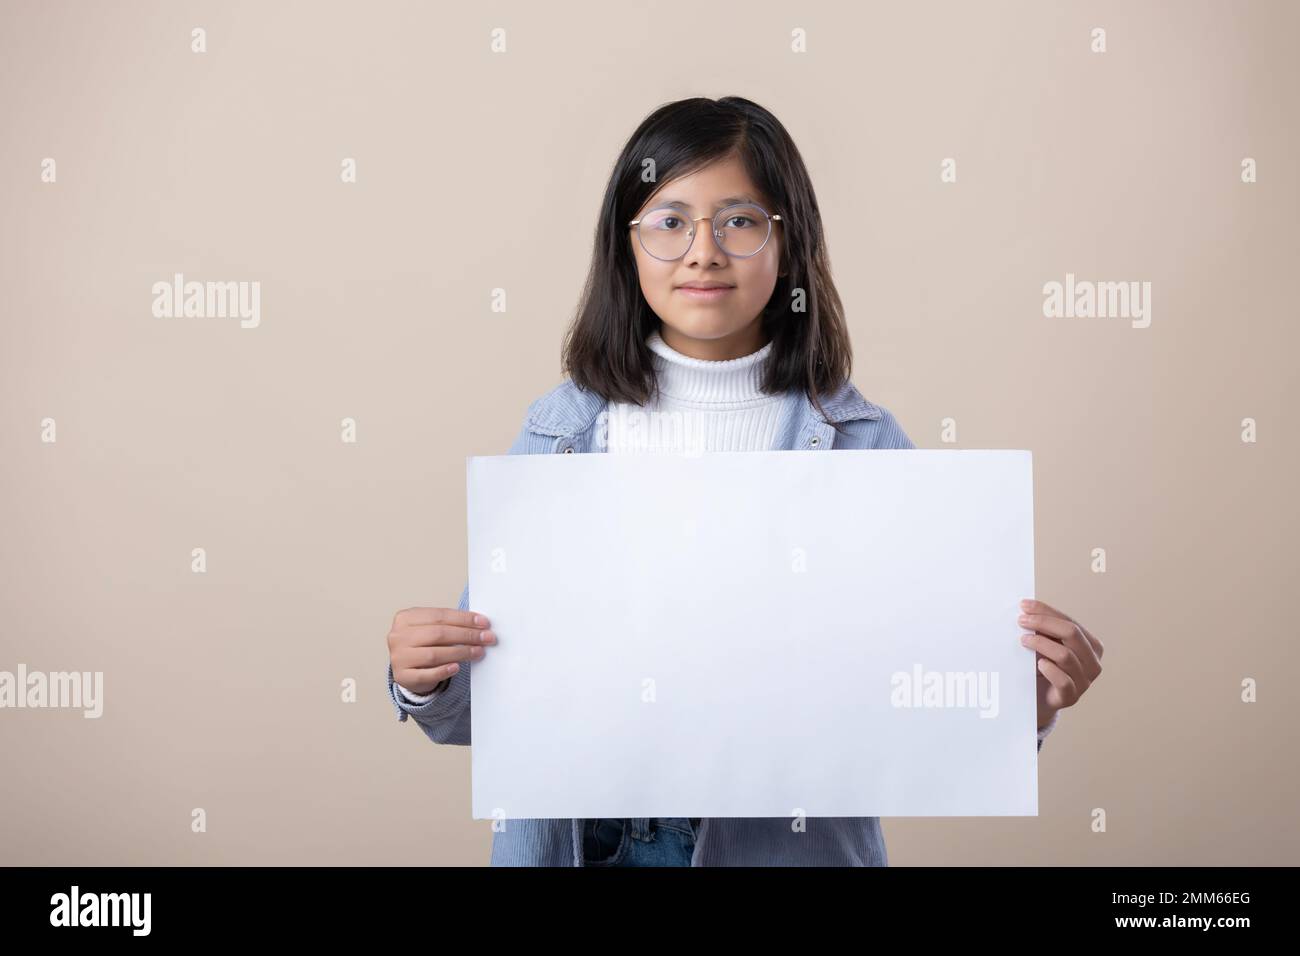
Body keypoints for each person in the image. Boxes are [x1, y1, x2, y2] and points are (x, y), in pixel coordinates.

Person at [384, 95, 1104, 866]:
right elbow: (477, 714)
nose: (702, 251)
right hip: (584, 843)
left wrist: (1021, 704)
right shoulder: (559, 436)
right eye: (668, 222)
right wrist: (421, 679)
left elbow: (922, 714)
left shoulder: (864, 447)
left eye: (739, 220)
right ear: (625, 246)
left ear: (788, 246)